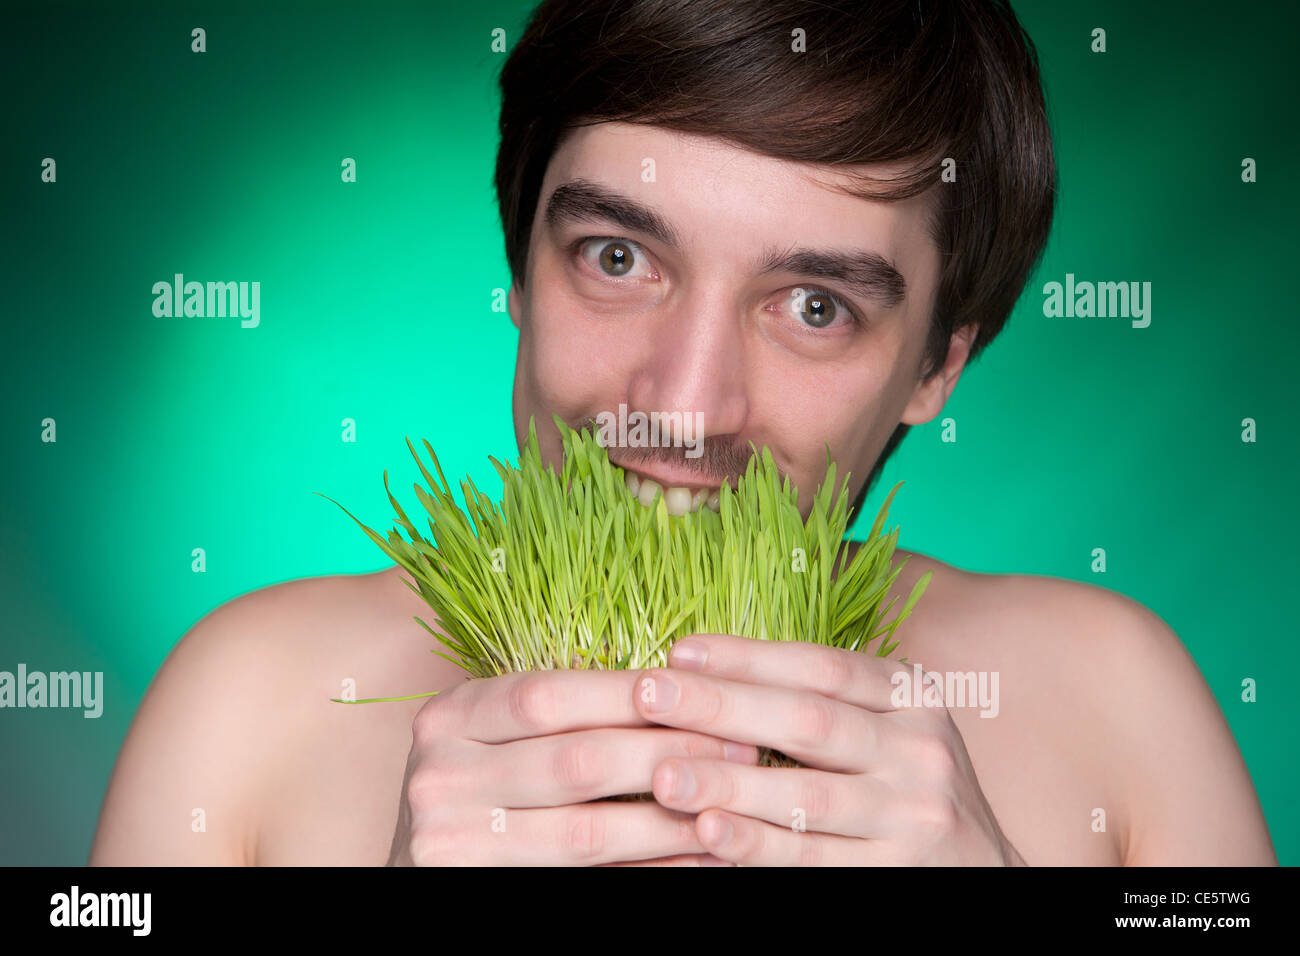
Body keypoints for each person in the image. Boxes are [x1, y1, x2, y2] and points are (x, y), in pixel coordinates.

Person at [89, 0, 1277, 866]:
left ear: (935, 366)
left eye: (816, 306)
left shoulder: (1119, 701)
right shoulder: (244, 703)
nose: (686, 404)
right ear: (520, 264)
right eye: (618, 256)